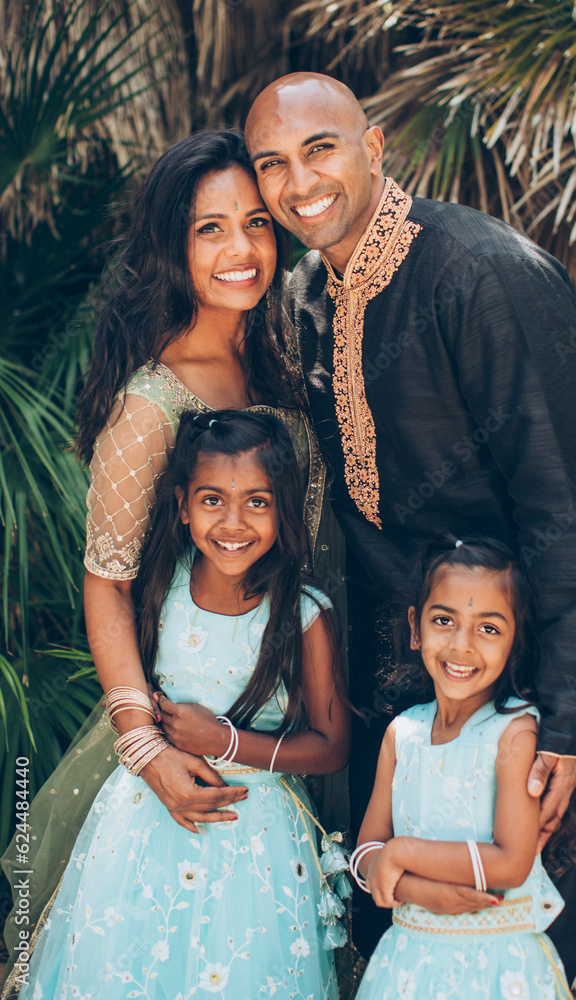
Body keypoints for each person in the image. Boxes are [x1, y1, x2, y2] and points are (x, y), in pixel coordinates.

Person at [244, 72, 576, 979]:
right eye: (270, 163)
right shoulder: (307, 293)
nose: (297, 182)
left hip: (518, 667)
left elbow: (561, 512)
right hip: (400, 674)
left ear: (373, 148)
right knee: (401, 934)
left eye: (319, 149)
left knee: (511, 938)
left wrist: (562, 723)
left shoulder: (482, 274)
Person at [1, 128, 337, 989]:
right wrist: (146, 750)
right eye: (209, 229)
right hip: (177, 734)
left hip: (285, 704)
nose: (241, 250)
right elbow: (105, 584)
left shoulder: (277, 356)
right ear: (170, 246)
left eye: (256, 224)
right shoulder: (152, 401)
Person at [13, 409, 350, 1000]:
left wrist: (226, 742)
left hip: (257, 834)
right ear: (182, 505)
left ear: (284, 509)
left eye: (258, 502)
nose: (233, 522)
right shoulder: (158, 590)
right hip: (146, 819)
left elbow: (332, 747)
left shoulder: (302, 614)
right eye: (213, 500)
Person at [351, 536, 573, 1000]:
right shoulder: (402, 734)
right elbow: (367, 850)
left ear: (515, 643)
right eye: (443, 621)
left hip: (496, 966)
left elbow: (511, 864)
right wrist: (418, 890)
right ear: (415, 628)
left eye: (488, 628)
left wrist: (402, 854)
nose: (461, 645)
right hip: (407, 962)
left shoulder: (514, 731)